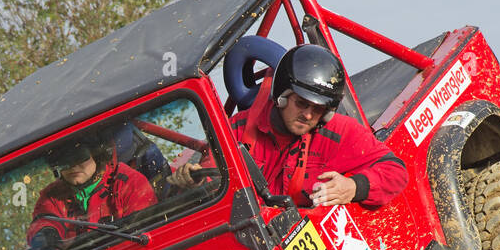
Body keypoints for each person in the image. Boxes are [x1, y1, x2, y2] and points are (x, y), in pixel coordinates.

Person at [175, 44, 408, 209]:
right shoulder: (234, 131)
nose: (307, 115)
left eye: (317, 109)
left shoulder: (338, 133)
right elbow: (210, 183)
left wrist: (354, 187)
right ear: (282, 97)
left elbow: (395, 172)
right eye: (301, 103)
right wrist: (192, 185)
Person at [26, 137, 157, 250]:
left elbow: (145, 230)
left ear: (97, 155)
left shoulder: (128, 182)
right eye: (63, 160)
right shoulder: (53, 195)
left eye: (79, 156)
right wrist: (44, 234)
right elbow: (44, 221)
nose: (73, 166)